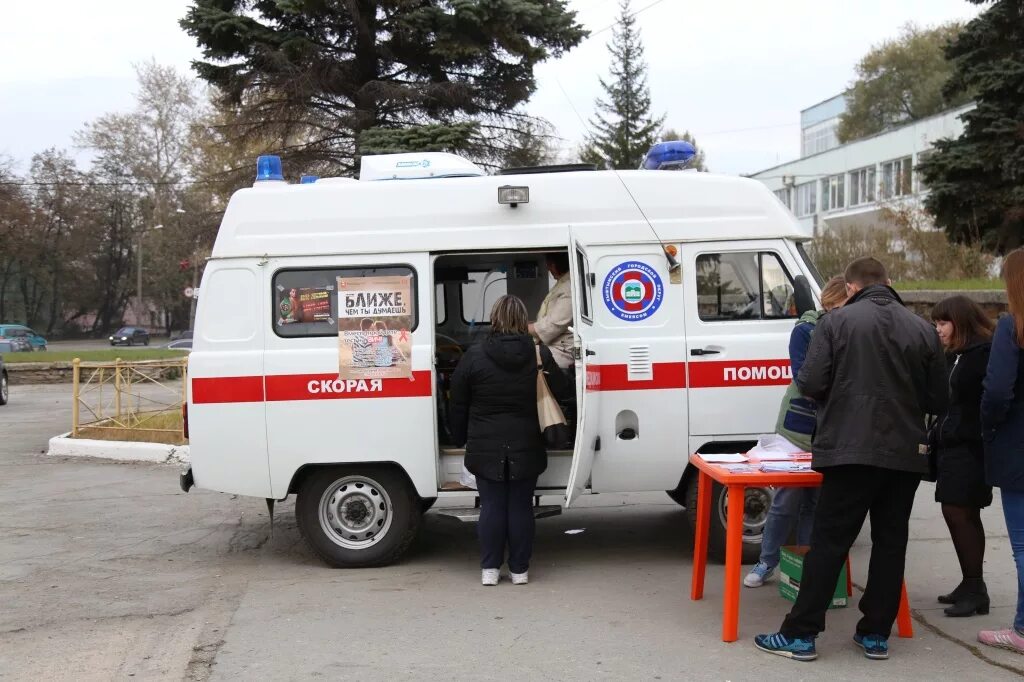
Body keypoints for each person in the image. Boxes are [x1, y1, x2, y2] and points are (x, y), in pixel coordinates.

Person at [754, 257, 947, 662]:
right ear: (888, 283)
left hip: (848, 450)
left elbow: (808, 382)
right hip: (904, 455)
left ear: (852, 287)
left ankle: (801, 634)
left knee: (829, 543)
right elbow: (938, 399)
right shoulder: (922, 329)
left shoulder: (835, 322)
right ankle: (875, 634)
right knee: (891, 543)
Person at [449, 295, 571, 586]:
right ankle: (519, 571)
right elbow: (564, 392)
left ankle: (490, 570)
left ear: (494, 318)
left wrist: (460, 438)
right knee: (520, 507)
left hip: (484, 445)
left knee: (491, 506)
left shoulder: (474, 355)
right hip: (526, 444)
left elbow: (458, 403)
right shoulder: (539, 354)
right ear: (521, 320)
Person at [744, 275, 849, 589]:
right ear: (827, 304)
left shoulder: (852, 331)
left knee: (815, 503)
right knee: (786, 500)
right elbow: (806, 379)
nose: (839, 315)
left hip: (832, 432)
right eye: (835, 308)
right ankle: (766, 562)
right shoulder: (805, 331)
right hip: (798, 430)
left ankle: (806, 567)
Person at [931, 295, 994, 617]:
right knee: (956, 512)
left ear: (961, 322)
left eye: (943, 323)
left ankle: (975, 586)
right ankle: (970, 583)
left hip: (970, 446)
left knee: (961, 512)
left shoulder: (981, 355)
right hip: (953, 444)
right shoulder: (956, 355)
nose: (938, 329)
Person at [978, 249, 1024, 653]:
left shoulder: (1012, 328)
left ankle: (1023, 631)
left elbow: (995, 392)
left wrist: (989, 427)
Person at [529, 253, 573, 371]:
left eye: (549, 265)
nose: (548, 268)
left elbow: (552, 326)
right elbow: (546, 318)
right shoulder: (562, 283)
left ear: (556, 265)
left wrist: (520, 327)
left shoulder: (569, 287)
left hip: (559, 355)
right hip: (551, 351)